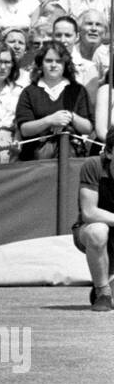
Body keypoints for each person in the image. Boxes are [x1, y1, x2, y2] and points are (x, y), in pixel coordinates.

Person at [16, 40, 93, 160]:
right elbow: (25, 129)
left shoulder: (78, 90)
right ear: (41, 63)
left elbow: (88, 127)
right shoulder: (29, 92)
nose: (53, 65)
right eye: (48, 60)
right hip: (36, 159)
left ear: (65, 64)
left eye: (58, 61)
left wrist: (69, 116)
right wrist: (50, 120)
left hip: (71, 156)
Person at [73, 127, 114, 311]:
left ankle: (108, 283)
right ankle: (103, 292)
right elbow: (89, 213)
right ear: (109, 152)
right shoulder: (93, 165)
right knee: (98, 231)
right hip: (91, 230)